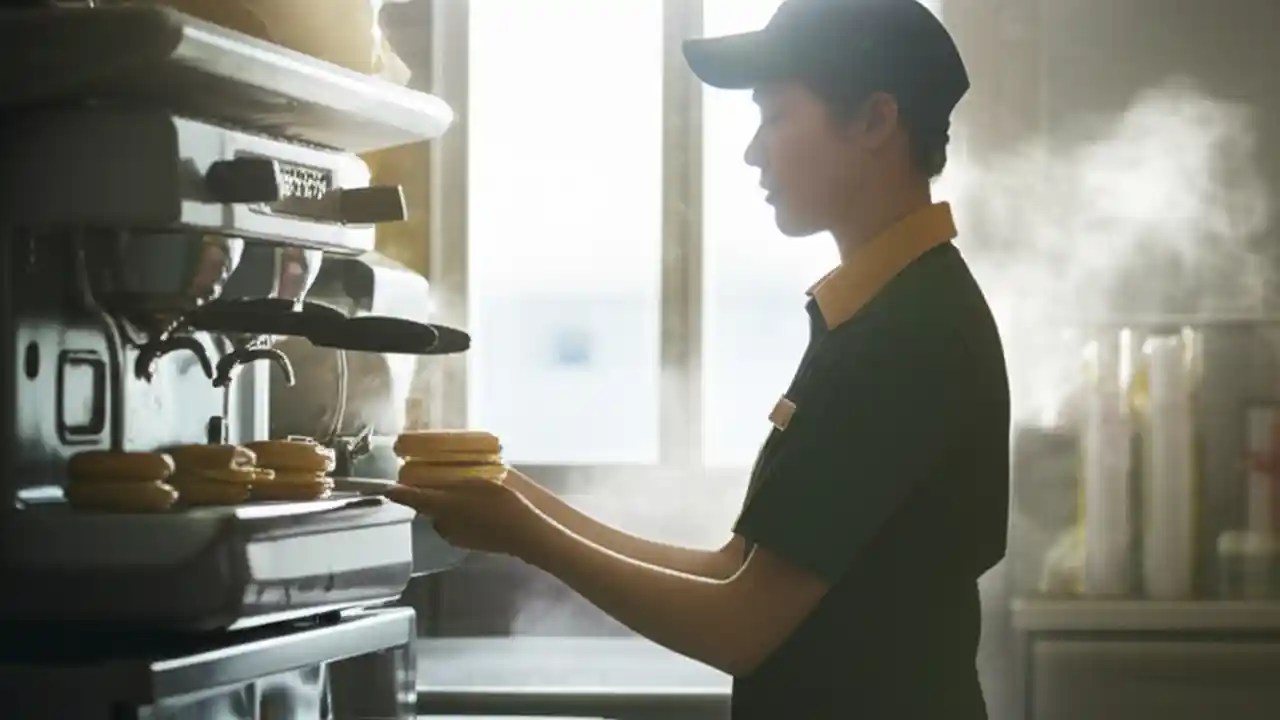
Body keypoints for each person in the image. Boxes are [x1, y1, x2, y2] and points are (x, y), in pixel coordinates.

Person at [387, 0, 1010, 717]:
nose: (752, 151)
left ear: (874, 120)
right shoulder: (878, 312)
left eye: (776, 117)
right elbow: (734, 568)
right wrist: (515, 497)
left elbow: (739, 626)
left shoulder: (906, 336)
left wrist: (525, 535)